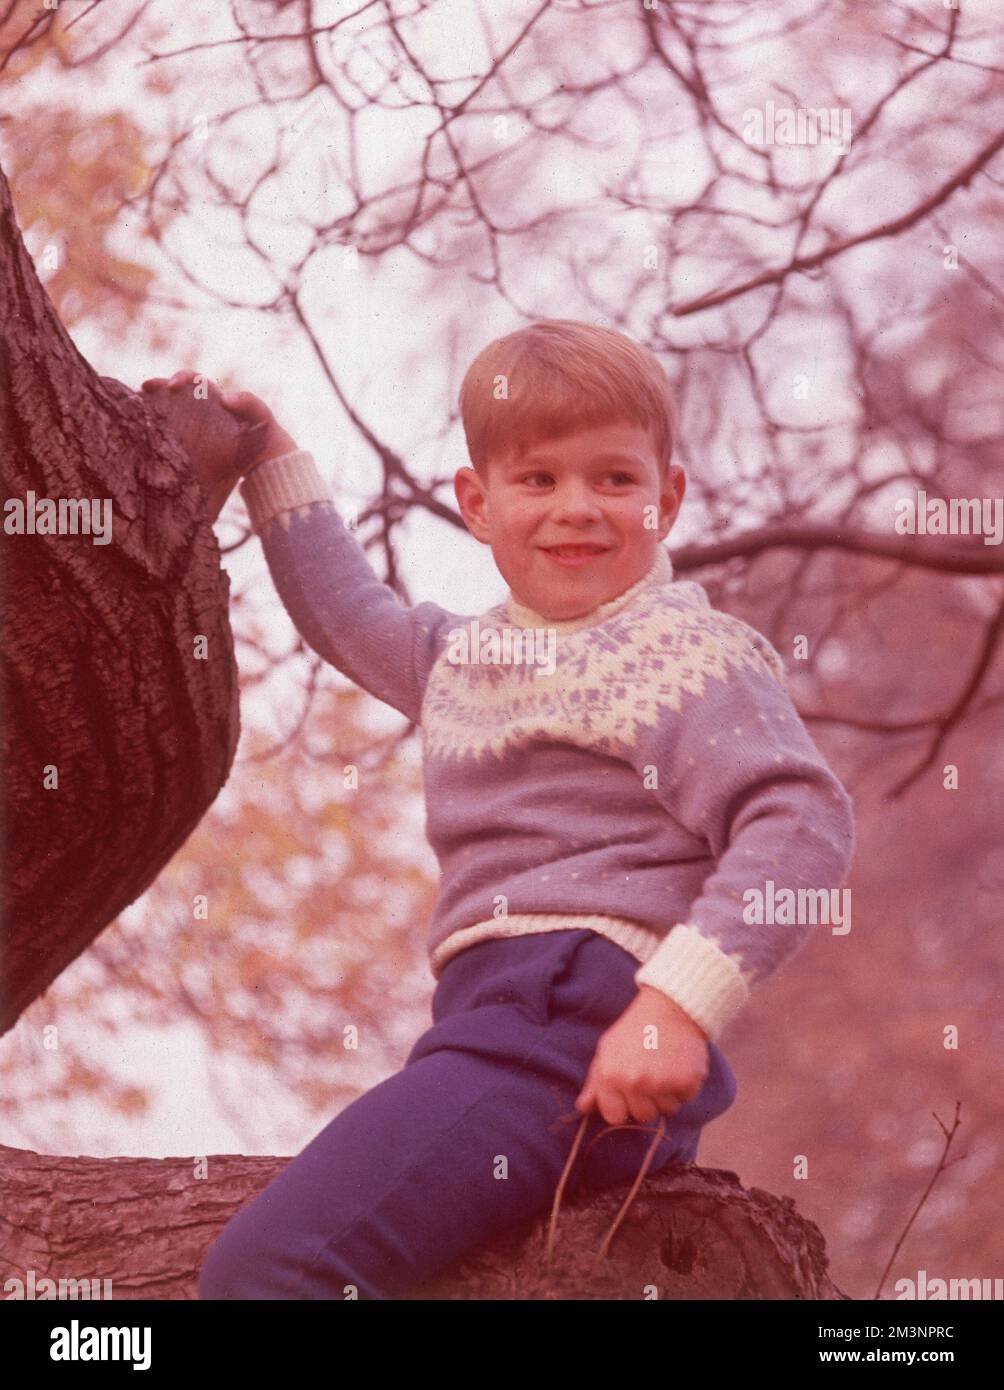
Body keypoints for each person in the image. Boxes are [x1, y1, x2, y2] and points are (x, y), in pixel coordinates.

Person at [143, 318, 855, 1300]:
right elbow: (349, 616)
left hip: (580, 1027)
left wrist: (675, 1007)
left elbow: (800, 826)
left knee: (271, 1270)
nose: (577, 508)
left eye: (614, 479)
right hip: (494, 1031)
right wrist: (270, 457)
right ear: (476, 505)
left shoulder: (685, 656)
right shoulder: (460, 661)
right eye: (538, 480)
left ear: (668, 499)